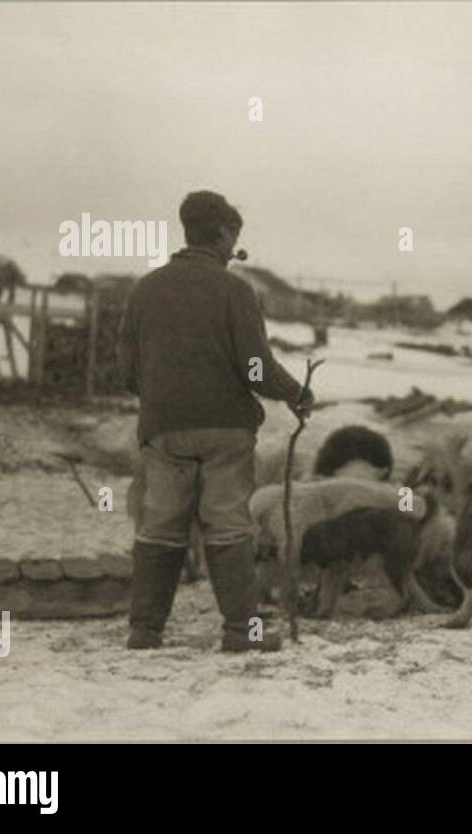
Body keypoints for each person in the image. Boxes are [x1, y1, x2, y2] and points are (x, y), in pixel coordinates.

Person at [118, 190, 313, 652]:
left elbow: (127, 370)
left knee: (160, 525)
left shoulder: (146, 289)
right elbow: (255, 367)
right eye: (233, 237)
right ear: (223, 233)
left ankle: (145, 630)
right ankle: (238, 631)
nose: (234, 249)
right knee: (228, 526)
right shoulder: (234, 290)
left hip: (164, 428)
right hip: (226, 430)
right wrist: (296, 393)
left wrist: (165, 400)